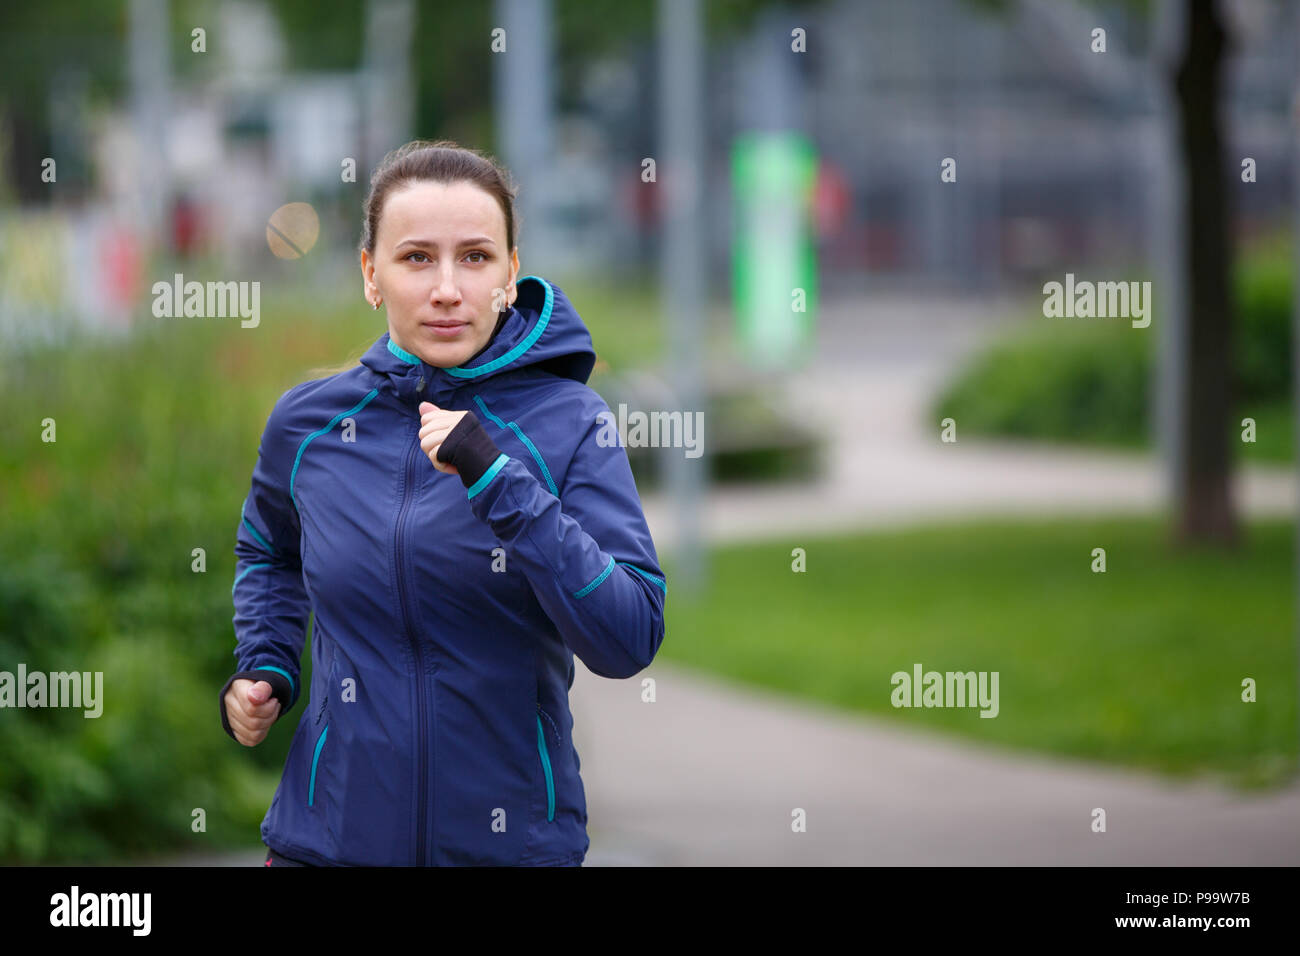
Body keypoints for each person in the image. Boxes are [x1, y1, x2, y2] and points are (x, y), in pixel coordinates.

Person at [219, 139, 667, 866]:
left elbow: (629, 634)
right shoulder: (308, 425)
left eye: (476, 257)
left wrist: (499, 481)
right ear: (371, 274)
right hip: (326, 845)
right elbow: (269, 551)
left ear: (511, 273)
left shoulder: (571, 422)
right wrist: (265, 662)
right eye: (417, 258)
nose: (448, 288)